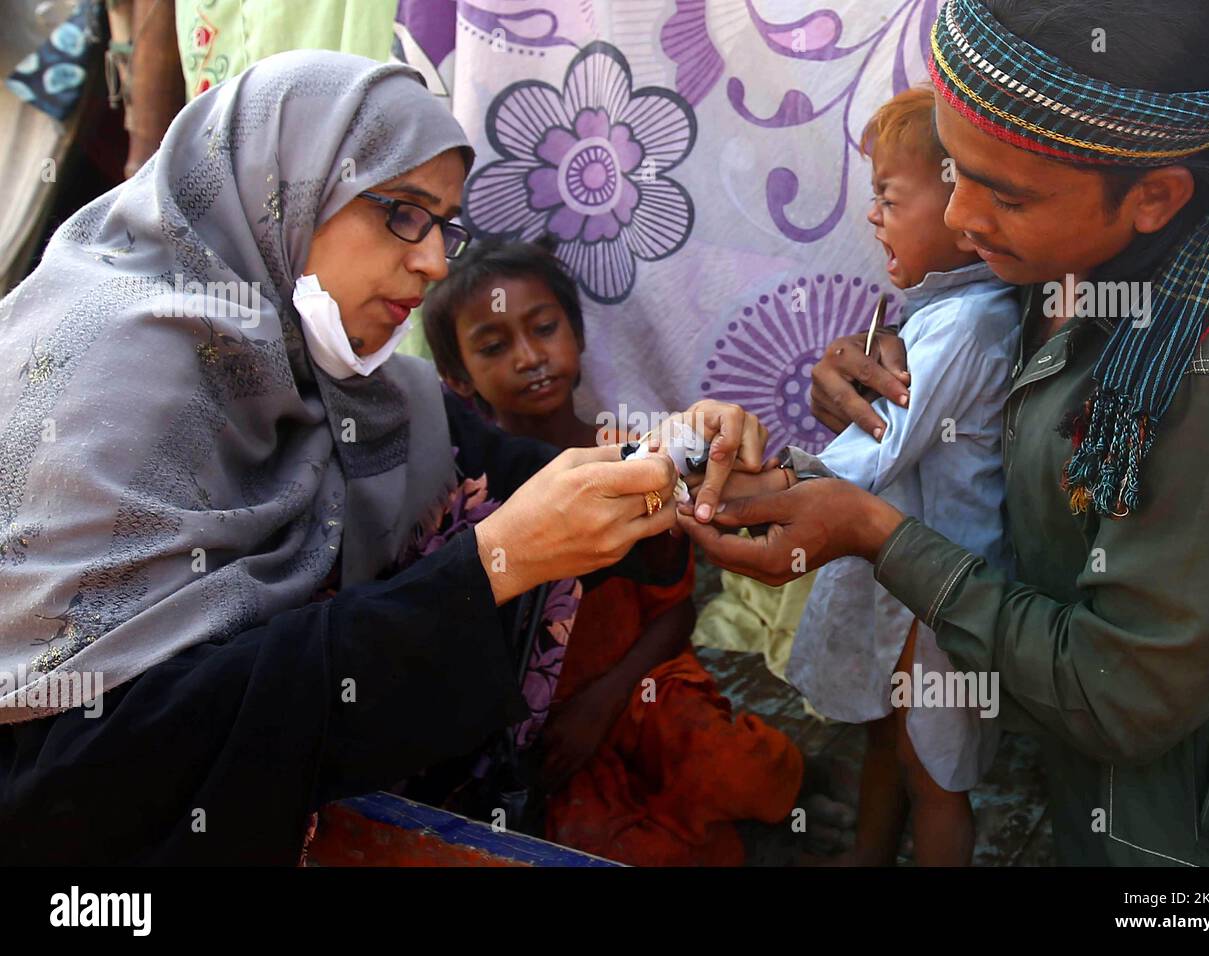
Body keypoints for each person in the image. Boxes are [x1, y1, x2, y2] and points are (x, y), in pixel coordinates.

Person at [0, 50, 764, 865]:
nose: (435, 261)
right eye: (402, 212)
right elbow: (79, 769)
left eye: (445, 225)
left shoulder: (347, 384)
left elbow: (512, 481)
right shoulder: (116, 382)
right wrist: (496, 563)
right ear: (281, 187)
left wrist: (681, 454)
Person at [679, 0, 1209, 866]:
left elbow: (1117, 694)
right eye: (953, 169)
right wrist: (890, 352)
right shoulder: (1058, 267)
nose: (961, 220)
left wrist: (876, 533)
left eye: (1003, 195)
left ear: (1156, 195)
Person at [423, 238, 802, 865]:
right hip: (547, 721)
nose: (528, 356)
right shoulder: (475, 496)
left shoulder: (641, 458)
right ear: (458, 377)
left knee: (742, 775)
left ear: (576, 334)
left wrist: (607, 699)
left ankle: (786, 800)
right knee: (594, 839)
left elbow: (677, 612)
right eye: (493, 345)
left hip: (645, 680)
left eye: (544, 328)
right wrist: (569, 719)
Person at [782, 85, 1018, 866]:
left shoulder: (968, 323)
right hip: (911, 578)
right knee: (891, 739)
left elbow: (878, 447)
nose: (873, 216)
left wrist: (774, 481)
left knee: (935, 777)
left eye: (888, 197)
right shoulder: (946, 312)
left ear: (965, 208)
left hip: (940, 592)